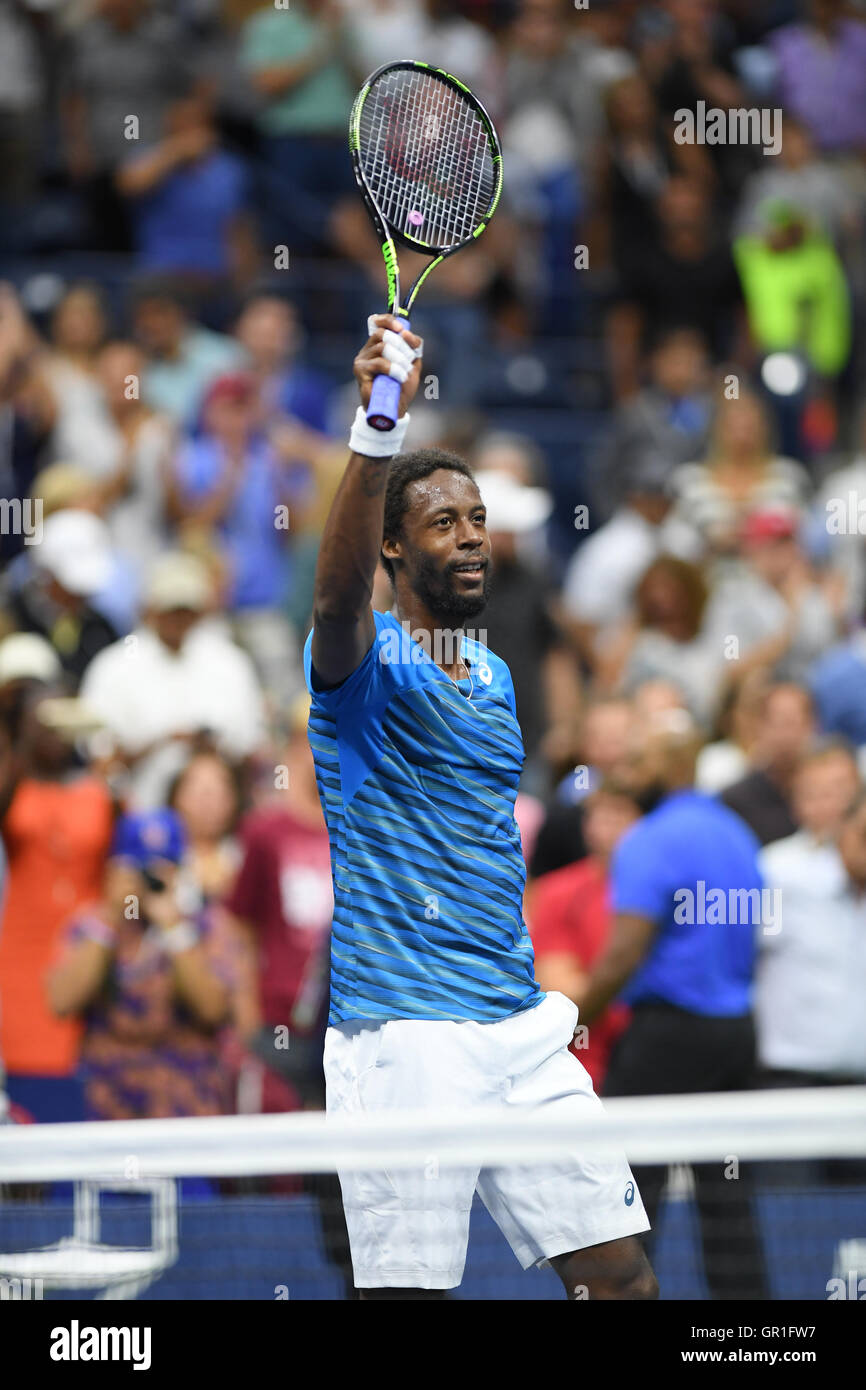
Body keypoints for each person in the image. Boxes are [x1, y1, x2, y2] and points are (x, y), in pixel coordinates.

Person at [302, 314, 656, 1300]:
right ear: (390, 546)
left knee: (621, 1281)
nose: (469, 537)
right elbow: (333, 606)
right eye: (443, 522)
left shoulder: (495, 674)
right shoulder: (362, 668)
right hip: (403, 1032)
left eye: (476, 519)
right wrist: (378, 433)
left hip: (518, 1022)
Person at [578, 718, 768, 1301]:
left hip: (666, 1040)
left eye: (638, 761)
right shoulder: (739, 834)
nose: (625, 772)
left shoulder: (650, 839)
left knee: (629, 1201)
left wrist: (571, 1022)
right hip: (735, 1035)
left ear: (672, 766)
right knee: (729, 1203)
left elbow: (620, 955)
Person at [47, 809, 239, 1120]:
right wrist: (111, 917)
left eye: (161, 869)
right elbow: (60, 1002)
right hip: (108, 1109)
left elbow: (213, 1009)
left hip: (186, 1109)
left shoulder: (207, 926)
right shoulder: (91, 926)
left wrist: (174, 929)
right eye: (139, 870)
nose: (148, 881)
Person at [0, 683, 114, 1123]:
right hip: (21, 954)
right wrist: (21, 737)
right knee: (29, 1079)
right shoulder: (14, 784)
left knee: (78, 1079)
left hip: (84, 952)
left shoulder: (98, 789)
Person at [80, 551, 266, 809]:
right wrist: (162, 742)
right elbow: (100, 759)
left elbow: (250, 749)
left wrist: (211, 746)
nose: (178, 620)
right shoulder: (114, 666)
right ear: (150, 609)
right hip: (138, 812)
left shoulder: (230, 662)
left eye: (186, 610)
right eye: (171, 609)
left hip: (215, 811)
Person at [755, 789, 866, 1185]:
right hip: (790, 1091)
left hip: (860, 1098)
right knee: (788, 1224)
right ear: (842, 831)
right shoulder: (780, 876)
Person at [529, 782, 640, 1092]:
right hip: (582, 1071)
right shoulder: (558, 892)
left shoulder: (665, 893)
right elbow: (562, 993)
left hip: (652, 1066)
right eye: (599, 813)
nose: (606, 827)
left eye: (619, 814)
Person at [721, 682, 817, 845]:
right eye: (777, 724)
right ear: (760, 726)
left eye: (793, 723)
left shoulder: (833, 793)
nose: (785, 735)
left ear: (812, 725)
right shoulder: (735, 800)